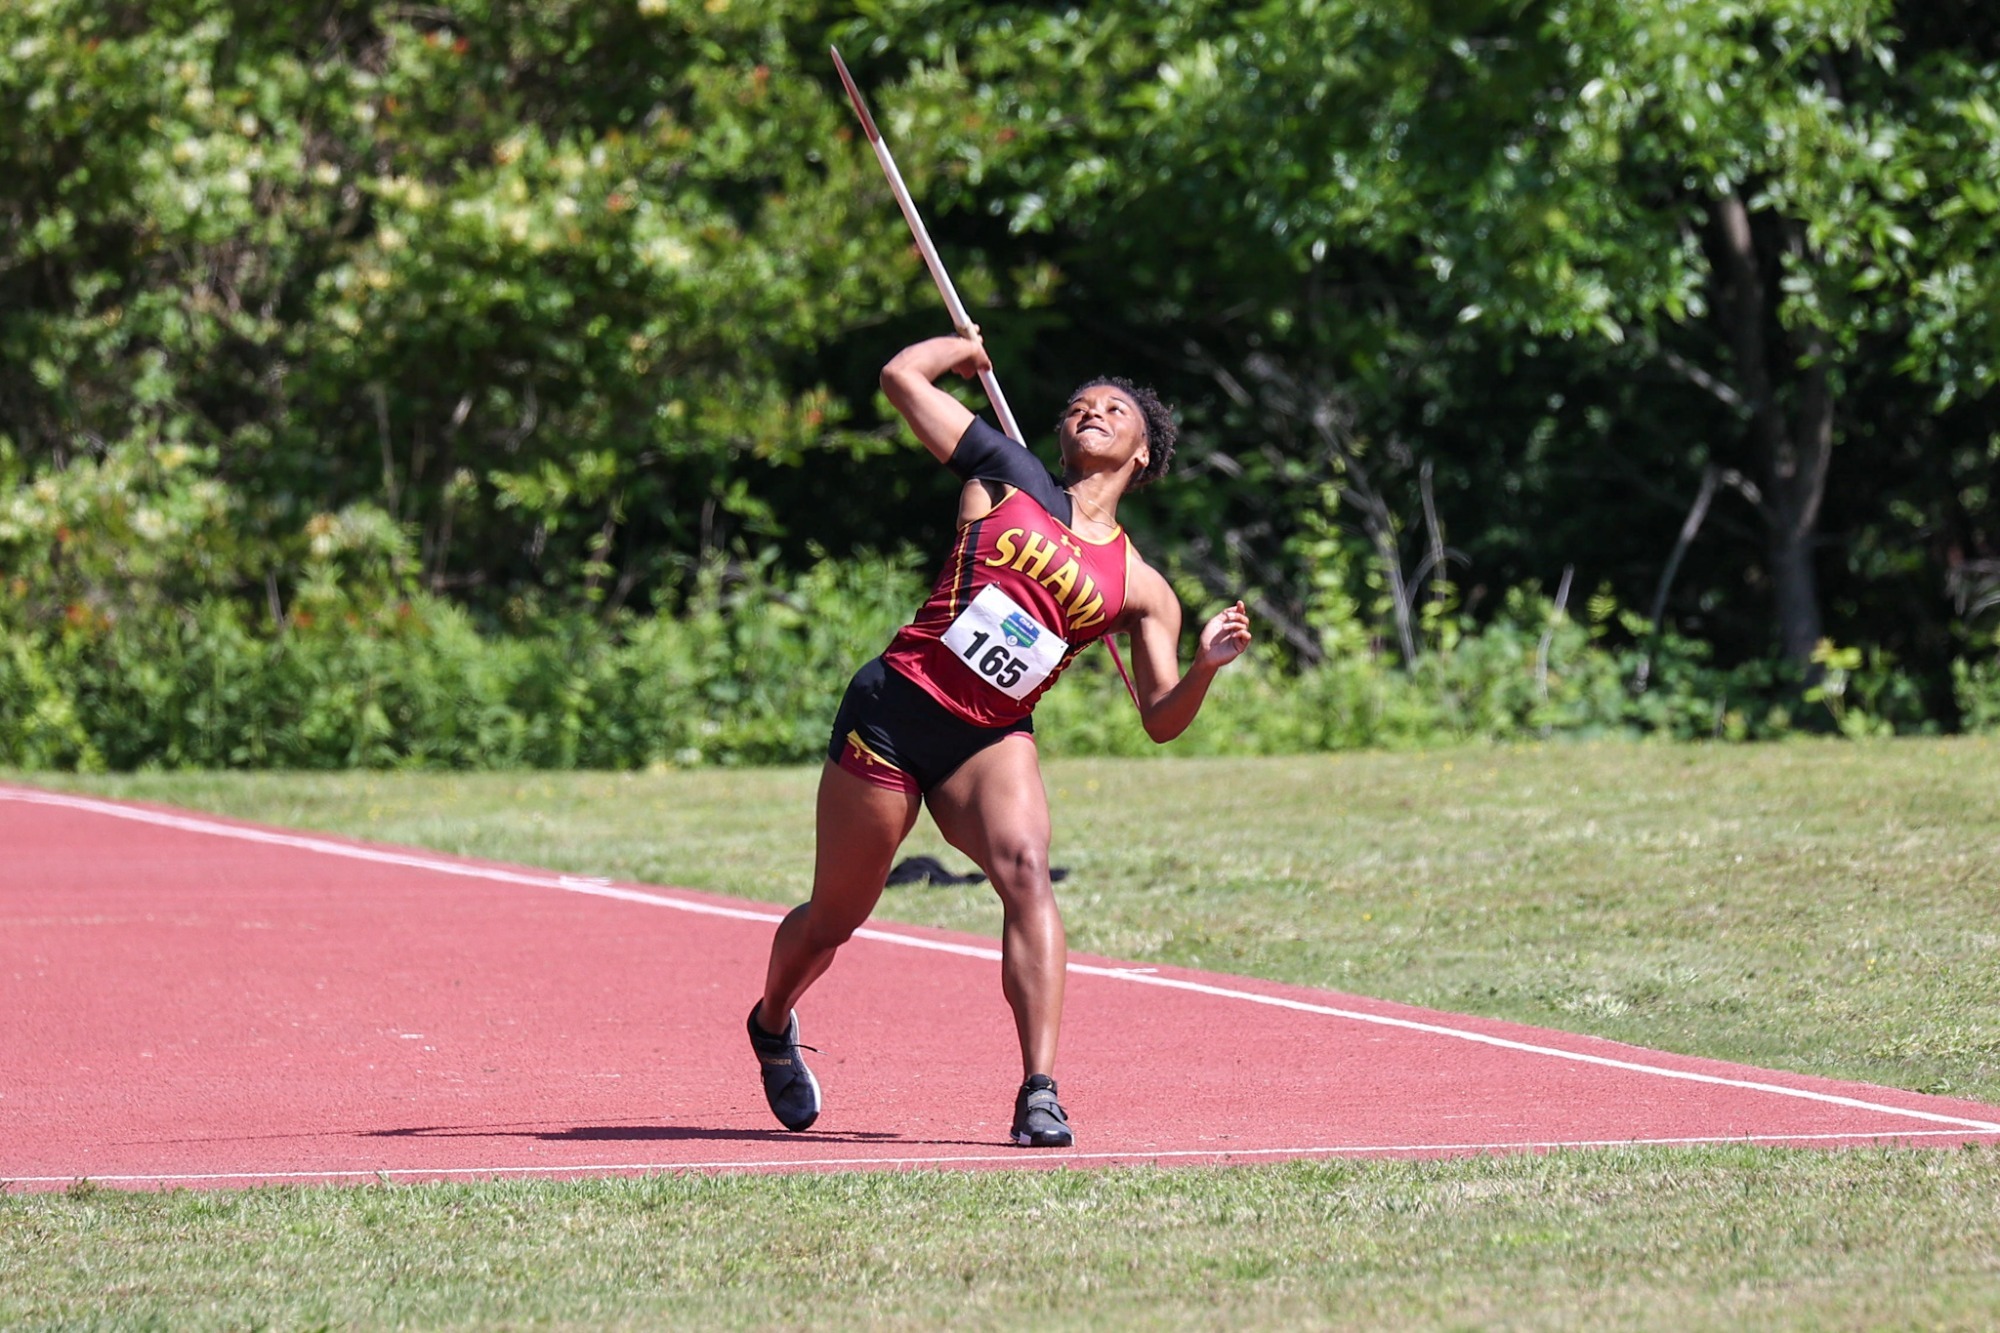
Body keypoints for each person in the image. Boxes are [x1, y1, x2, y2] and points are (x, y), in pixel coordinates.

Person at [747, 329, 1252, 1147]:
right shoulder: (1007, 474)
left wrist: (1205, 666)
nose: (1091, 410)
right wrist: (960, 347)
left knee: (1026, 871)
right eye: (1079, 405)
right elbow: (900, 377)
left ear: (1144, 453)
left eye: (1114, 408)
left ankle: (1039, 1091)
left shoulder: (1144, 588)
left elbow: (1161, 720)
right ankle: (772, 1021)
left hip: (988, 736)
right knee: (836, 917)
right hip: (895, 709)